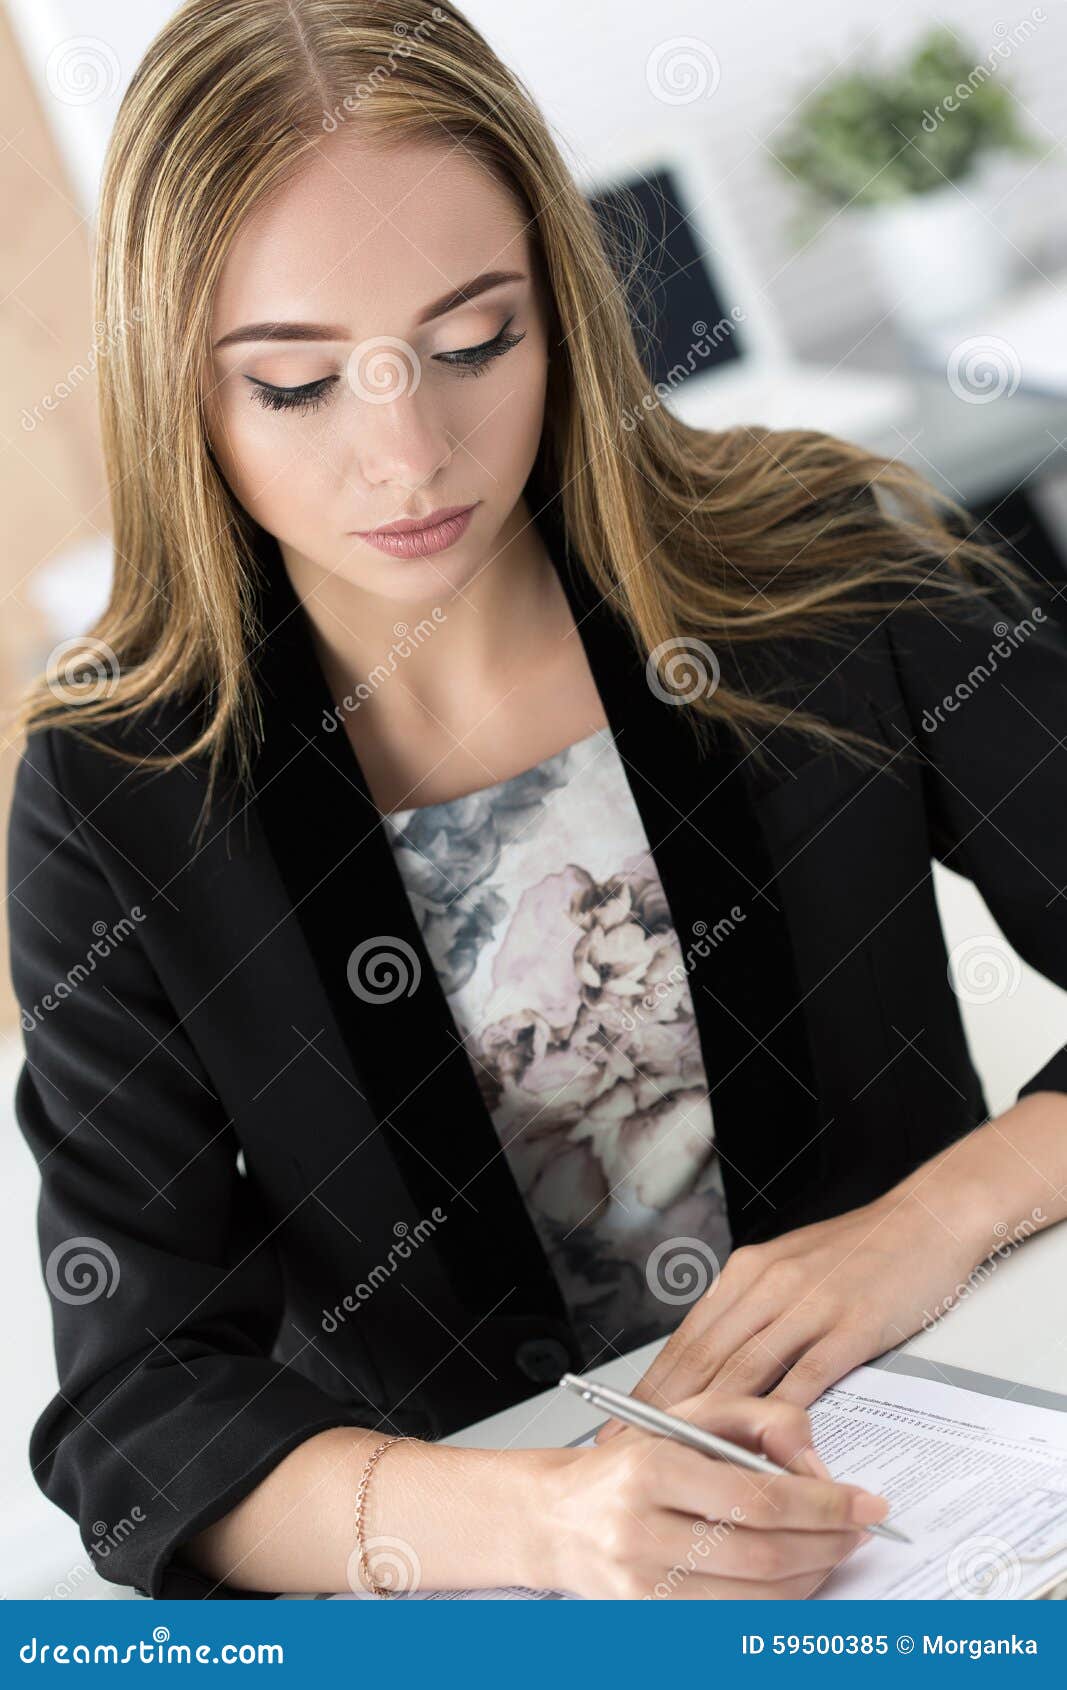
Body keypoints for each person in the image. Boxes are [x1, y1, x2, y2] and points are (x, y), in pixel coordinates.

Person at [9, 0, 1067, 1601]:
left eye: (474, 341)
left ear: (559, 304)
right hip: (493, 1592)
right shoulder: (116, 789)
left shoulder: (824, 568)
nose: (412, 457)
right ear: (181, 392)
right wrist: (552, 1522)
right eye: (297, 385)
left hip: (949, 1504)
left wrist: (937, 1214)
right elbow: (145, 1400)